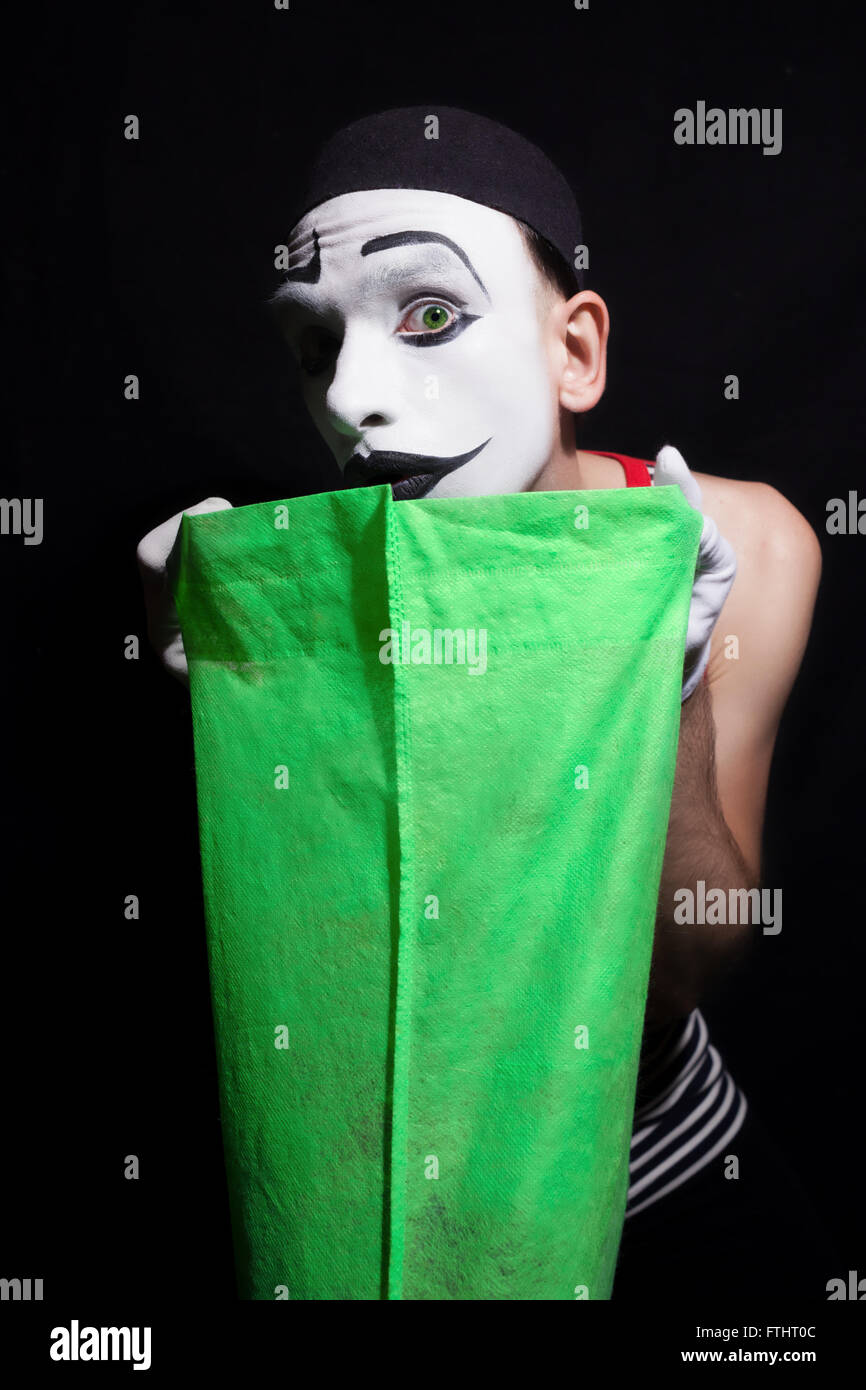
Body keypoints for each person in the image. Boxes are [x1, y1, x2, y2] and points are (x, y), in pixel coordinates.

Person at [137, 106, 836, 1297]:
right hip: (368, 1205)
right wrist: (257, 705)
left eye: (428, 317)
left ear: (574, 353)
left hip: (654, 1177)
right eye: (313, 346)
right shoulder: (292, 587)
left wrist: (655, 692)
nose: (351, 397)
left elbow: (686, 967)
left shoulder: (742, 544)